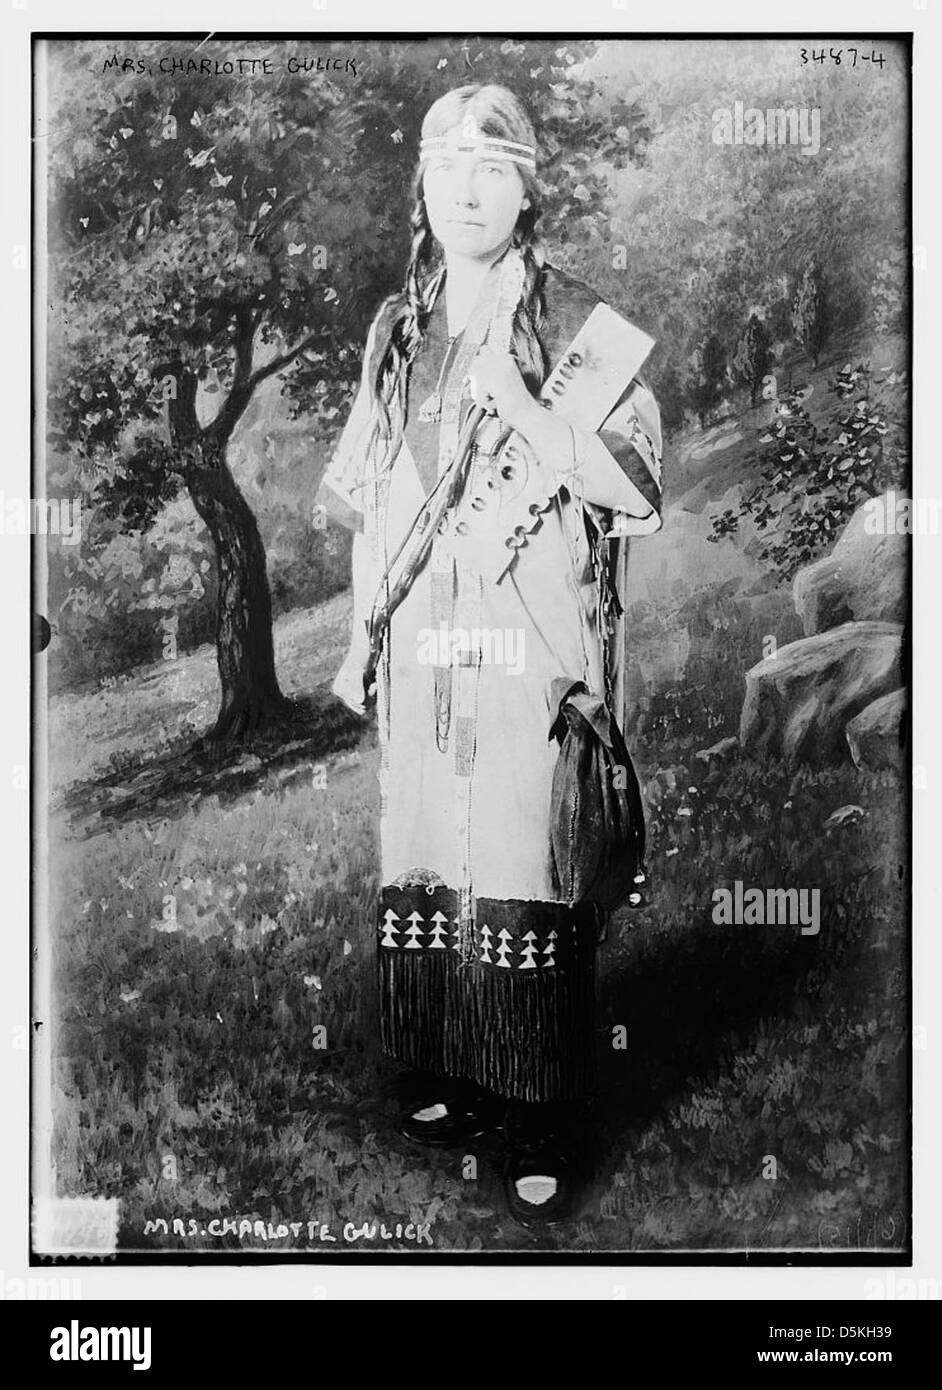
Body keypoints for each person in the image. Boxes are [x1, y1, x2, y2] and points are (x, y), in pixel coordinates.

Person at [318, 82, 663, 1227]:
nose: (466, 190)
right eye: (447, 166)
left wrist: (523, 404)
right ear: (421, 183)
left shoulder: (576, 324)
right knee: (426, 834)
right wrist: (362, 639)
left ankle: (540, 1112)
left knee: (519, 846)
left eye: (492, 168)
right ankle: (447, 1065)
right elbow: (371, 495)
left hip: (527, 629)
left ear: (527, 191)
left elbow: (634, 488)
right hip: (423, 636)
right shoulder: (396, 326)